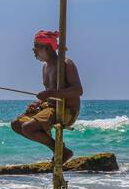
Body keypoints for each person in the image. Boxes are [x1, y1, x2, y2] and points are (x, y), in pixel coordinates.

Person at [9, 29, 83, 162]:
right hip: (49, 107)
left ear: (48, 48)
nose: (33, 51)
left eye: (36, 47)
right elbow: (48, 92)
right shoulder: (44, 67)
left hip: (66, 110)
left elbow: (78, 90)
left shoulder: (66, 64)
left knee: (28, 127)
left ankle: (61, 150)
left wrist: (50, 93)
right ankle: (59, 149)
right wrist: (37, 103)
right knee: (16, 124)